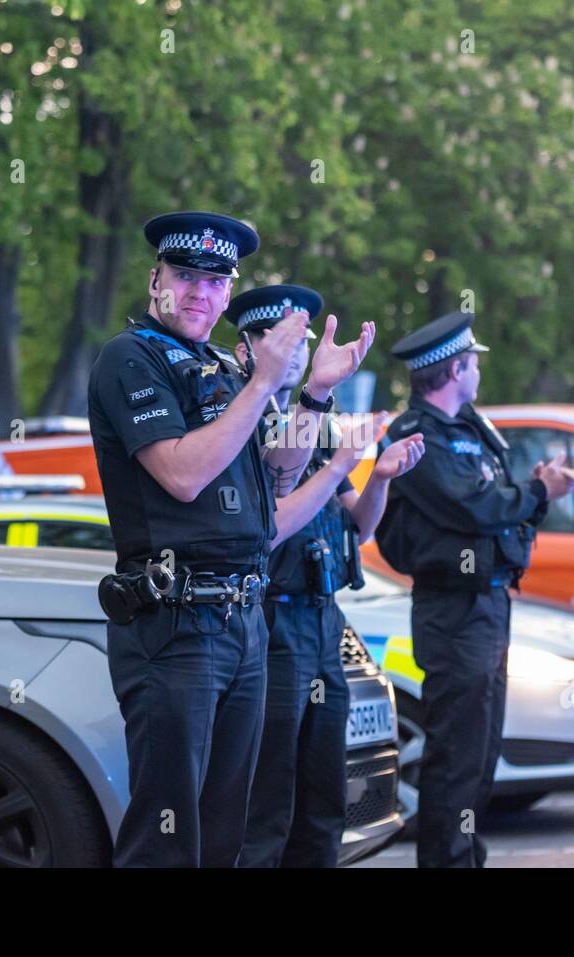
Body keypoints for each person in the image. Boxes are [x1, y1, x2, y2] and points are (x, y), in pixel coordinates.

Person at [87, 212, 373, 867]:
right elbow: (183, 473)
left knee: (226, 834)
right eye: (185, 275)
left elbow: (277, 477)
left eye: (216, 282)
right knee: (166, 839)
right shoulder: (132, 356)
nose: (200, 293)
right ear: (155, 276)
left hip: (244, 619)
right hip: (176, 622)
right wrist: (265, 382)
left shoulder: (220, 365)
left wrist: (316, 395)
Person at [375, 311, 574, 868]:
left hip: (489, 602)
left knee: (482, 749)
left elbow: (495, 500)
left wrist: (535, 490)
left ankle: (466, 857)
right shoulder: (415, 435)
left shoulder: (469, 428)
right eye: (472, 362)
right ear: (455, 368)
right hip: (454, 608)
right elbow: (474, 506)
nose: (478, 371)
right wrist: (538, 491)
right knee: (457, 752)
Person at [231, 284, 424, 867]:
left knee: (324, 793)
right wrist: (334, 449)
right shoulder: (243, 419)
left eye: (301, 342)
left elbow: (356, 528)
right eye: (277, 339)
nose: (293, 351)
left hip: (323, 620)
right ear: (245, 352)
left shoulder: (320, 421)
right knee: (270, 796)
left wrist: (381, 477)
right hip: (274, 620)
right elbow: (275, 513)